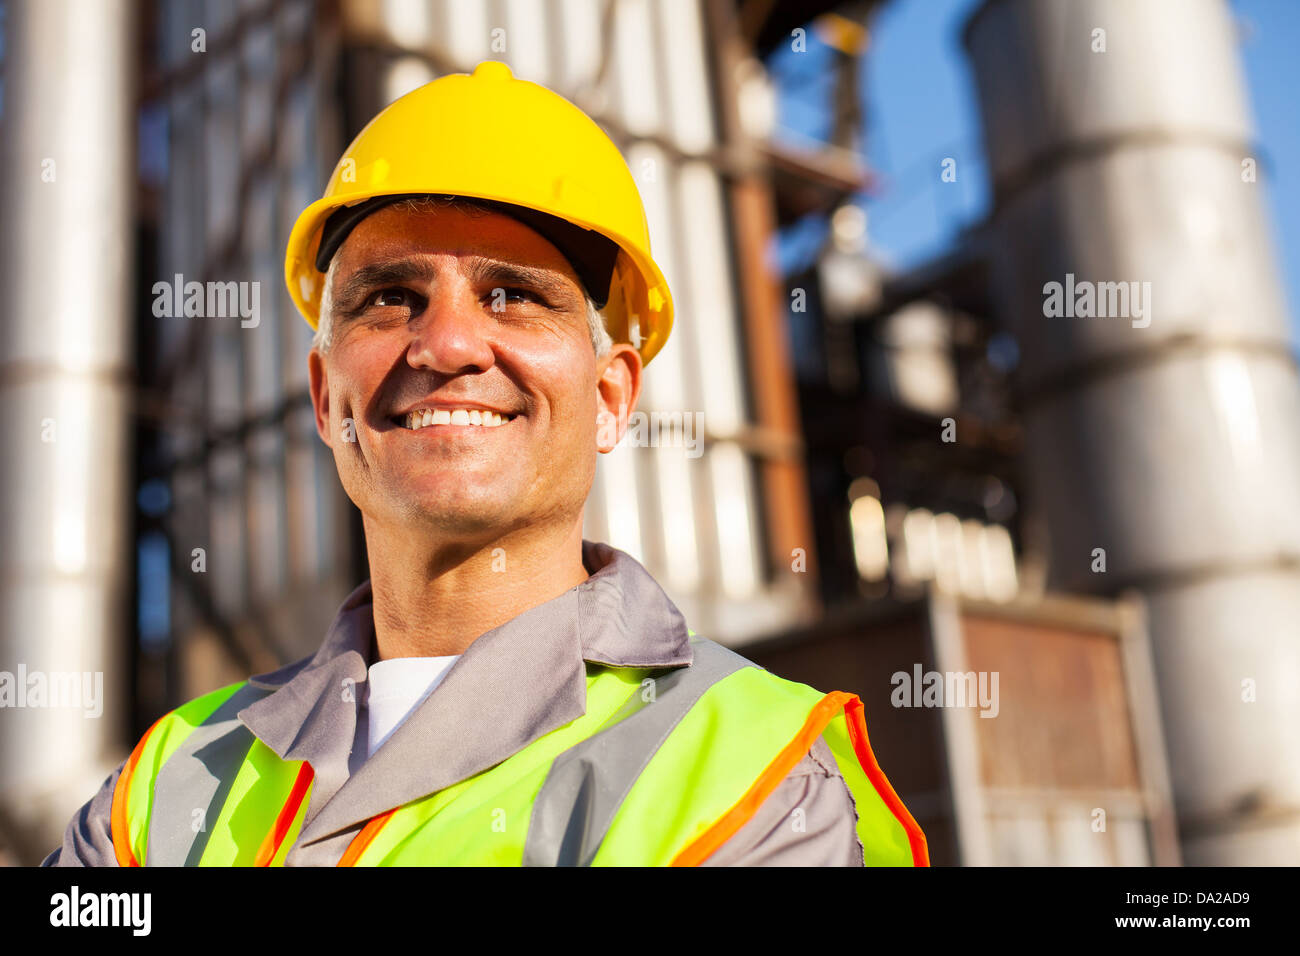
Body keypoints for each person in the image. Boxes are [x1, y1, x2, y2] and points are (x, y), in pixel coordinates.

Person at [44, 61, 927, 867]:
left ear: (613, 398)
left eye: (516, 296)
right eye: (391, 298)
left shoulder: (748, 779)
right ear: (326, 398)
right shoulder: (164, 782)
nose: (449, 342)